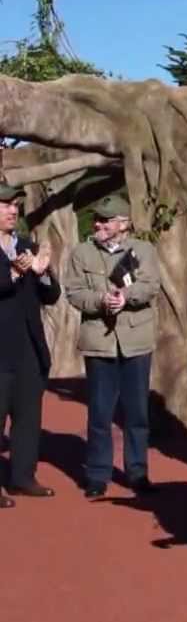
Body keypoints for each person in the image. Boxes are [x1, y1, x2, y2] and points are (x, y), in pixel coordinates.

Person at [64, 194, 160, 499]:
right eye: (97, 220)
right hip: (99, 342)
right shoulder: (82, 253)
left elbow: (150, 286)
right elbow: (74, 292)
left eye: (106, 220)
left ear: (123, 224)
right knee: (100, 413)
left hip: (136, 341)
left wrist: (126, 296)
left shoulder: (143, 250)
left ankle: (137, 472)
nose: (99, 225)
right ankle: (97, 474)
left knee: (137, 413)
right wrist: (100, 301)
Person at [0, 185, 61, 506]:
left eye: (15, 206)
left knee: (27, 419)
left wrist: (42, 274)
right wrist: (12, 272)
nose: (13, 211)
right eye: (6, 204)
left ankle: (23, 477)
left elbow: (52, 295)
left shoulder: (27, 246)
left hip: (28, 350)